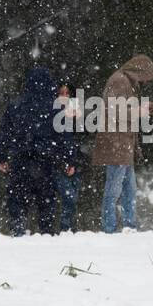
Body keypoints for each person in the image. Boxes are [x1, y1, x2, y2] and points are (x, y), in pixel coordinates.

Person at [91, 54, 153, 233]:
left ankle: (129, 226)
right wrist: (140, 111)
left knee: (129, 189)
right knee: (114, 190)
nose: (147, 82)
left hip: (123, 145)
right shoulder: (119, 81)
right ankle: (110, 228)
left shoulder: (129, 82)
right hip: (116, 143)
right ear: (139, 71)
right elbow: (114, 111)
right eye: (147, 77)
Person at [0, 67, 61, 236]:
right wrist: (66, 159)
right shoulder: (55, 107)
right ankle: (46, 234)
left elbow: (5, 133)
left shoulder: (16, 105)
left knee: (17, 200)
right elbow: (62, 136)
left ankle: (18, 230)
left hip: (20, 159)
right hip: (45, 160)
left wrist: (1, 156)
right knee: (46, 202)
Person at [52, 83, 87, 233]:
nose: (64, 96)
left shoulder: (76, 112)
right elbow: (61, 140)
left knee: (72, 200)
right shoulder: (53, 113)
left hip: (75, 162)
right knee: (68, 198)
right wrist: (66, 162)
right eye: (61, 93)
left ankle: (70, 230)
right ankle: (64, 230)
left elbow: (81, 137)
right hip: (60, 163)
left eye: (67, 93)